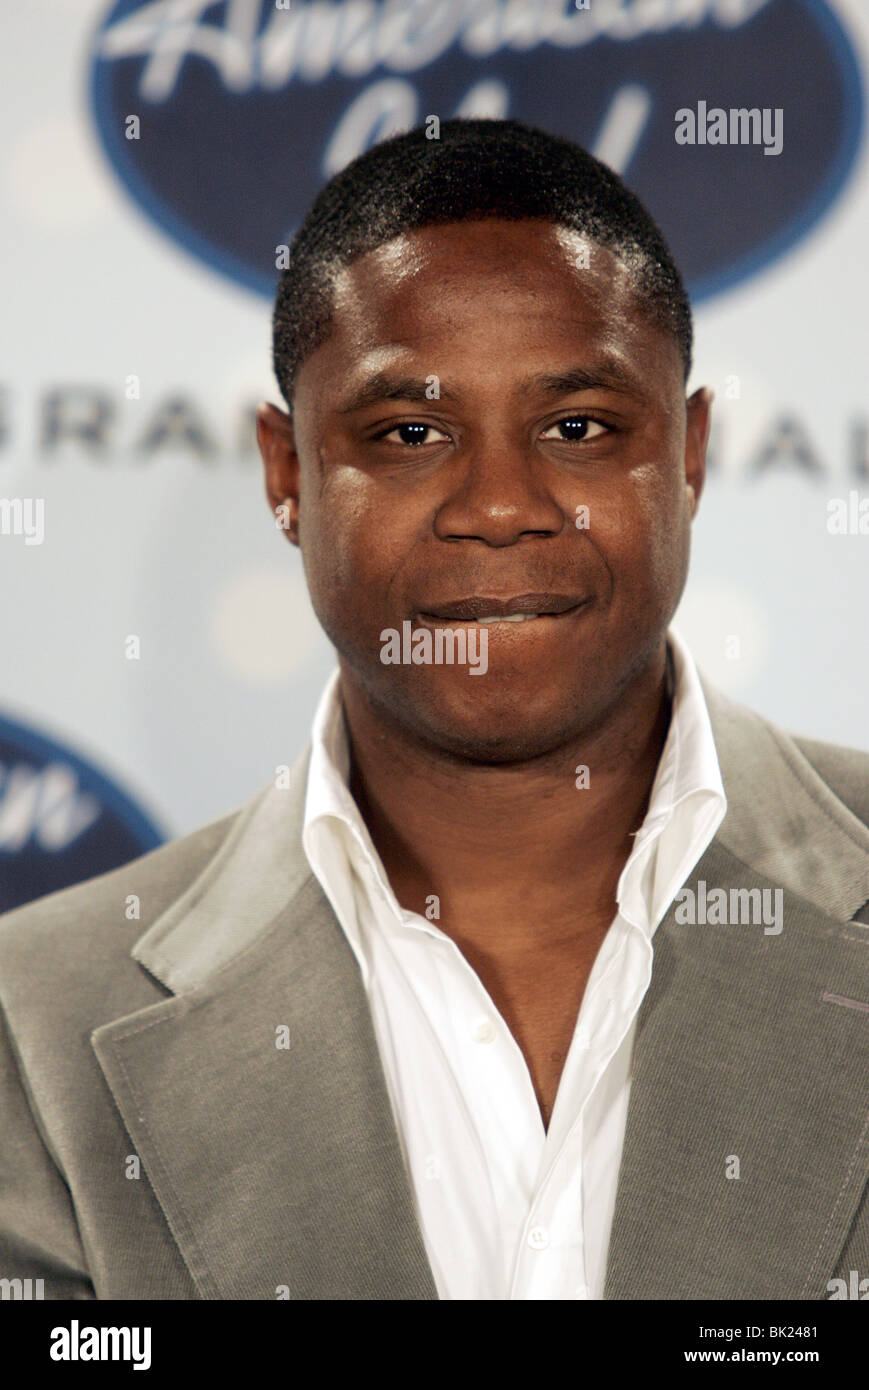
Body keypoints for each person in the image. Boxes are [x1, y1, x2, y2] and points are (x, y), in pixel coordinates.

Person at [0, 119, 866, 1302]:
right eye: (409, 433)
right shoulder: (38, 1021)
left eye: (577, 427)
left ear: (687, 455)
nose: (499, 506)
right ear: (287, 474)